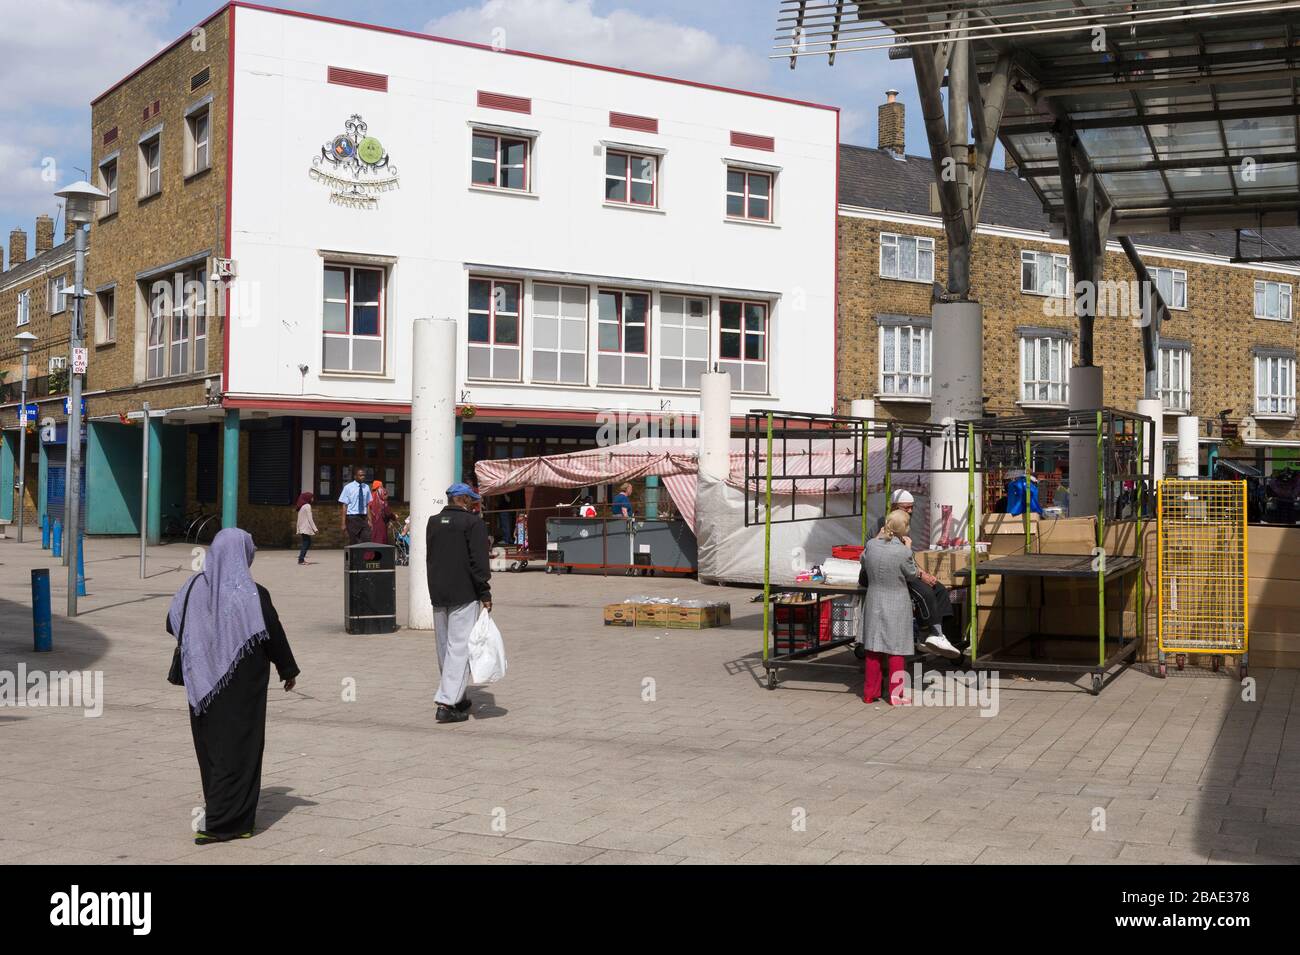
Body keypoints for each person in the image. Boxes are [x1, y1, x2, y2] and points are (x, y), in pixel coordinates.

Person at [166, 528, 299, 844]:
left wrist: (206, 639)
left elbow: (171, 622)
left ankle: (218, 811)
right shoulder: (253, 594)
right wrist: (288, 670)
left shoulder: (192, 587)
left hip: (203, 685)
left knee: (211, 748)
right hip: (242, 687)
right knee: (241, 749)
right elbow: (273, 634)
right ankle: (231, 822)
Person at [426, 482, 492, 724]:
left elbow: (430, 556)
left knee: (445, 647)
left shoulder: (433, 522)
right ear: (463, 500)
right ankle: (446, 703)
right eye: (472, 500)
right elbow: (479, 562)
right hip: (464, 592)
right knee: (460, 648)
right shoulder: (473, 524)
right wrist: (485, 592)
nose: (474, 504)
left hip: (438, 591)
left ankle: (457, 695)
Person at [859, 510, 919, 705]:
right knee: (896, 649)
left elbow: (863, 560)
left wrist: (878, 537)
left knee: (873, 648)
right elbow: (911, 574)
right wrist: (909, 549)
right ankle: (896, 694)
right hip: (897, 600)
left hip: (874, 598)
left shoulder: (871, 545)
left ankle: (870, 693)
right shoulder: (903, 551)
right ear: (904, 529)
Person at [338, 467, 371, 545]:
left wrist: (370, 520)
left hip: (363, 517)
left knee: (366, 539)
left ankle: (363, 557)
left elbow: (368, 504)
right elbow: (344, 505)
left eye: (363, 475)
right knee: (354, 541)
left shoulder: (366, 487)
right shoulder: (348, 488)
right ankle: (355, 557)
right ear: (355, 476)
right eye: (360, 475)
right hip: (352, 518)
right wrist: (343, 523)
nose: (362, 477)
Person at [294, 491, 317, 565]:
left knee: (306, 542)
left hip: (302, 528)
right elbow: (310, 519)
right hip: (305, 528)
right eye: (311, 497)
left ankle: (301, 559)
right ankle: (301, 560)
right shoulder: (307, 506)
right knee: (306, 543)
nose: (313, 499)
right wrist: (315, 529)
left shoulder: (302, 506)